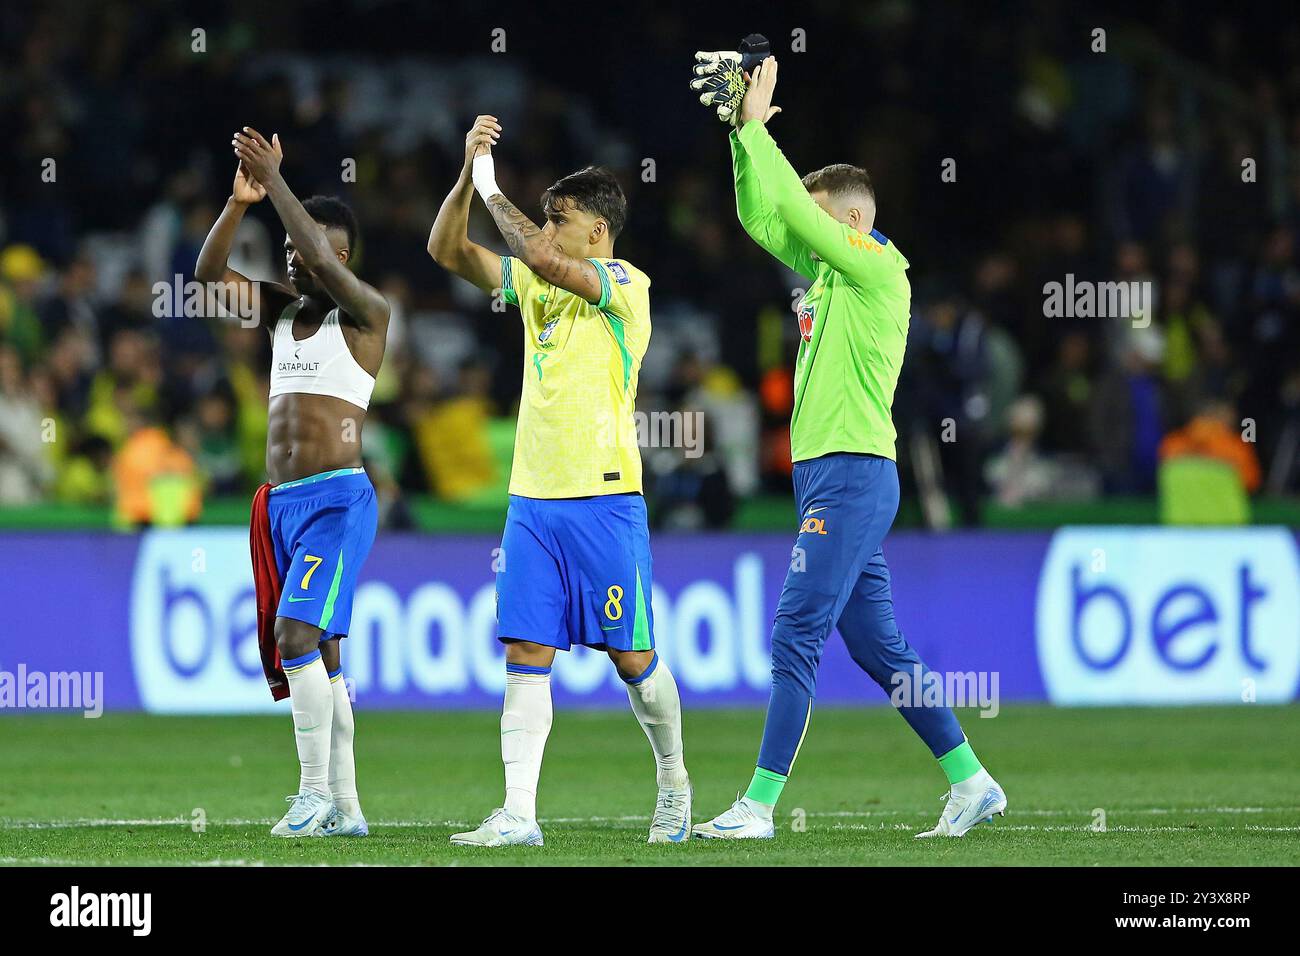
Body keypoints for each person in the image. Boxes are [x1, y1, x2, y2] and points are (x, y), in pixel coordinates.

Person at [691, 59, 1006, 840]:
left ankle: (759, 806)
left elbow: (792, 214)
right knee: (878, 647)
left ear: (853, 225)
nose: (812, 232)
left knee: (795, 631)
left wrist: (761, 124)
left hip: (854, 475)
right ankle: (973, 782)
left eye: (825, 222)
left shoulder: (875, 272)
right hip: (828, 476)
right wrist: (741, 136)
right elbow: (766, 221)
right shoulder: (832, 274)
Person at [427, 115, 690, 846]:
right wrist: (465, 173)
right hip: (532, 501)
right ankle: (519, 814)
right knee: (525, 651)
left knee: (633, 659)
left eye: (560, 217)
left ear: (598, 230)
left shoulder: (623, 285)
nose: (547, 227)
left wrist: (492, 187)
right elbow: (444, 249)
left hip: (604, 498)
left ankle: (673, 780)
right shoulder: (537, 286)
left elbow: (542, 261)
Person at [196, 128, 390, 837]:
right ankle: (347, 808)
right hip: (280, 505)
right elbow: (208, 277)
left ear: (338, 259)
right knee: (326, 662)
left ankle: (311, 794)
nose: (291, 260)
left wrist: (277, 179)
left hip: (338, 499)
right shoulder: (282, 313)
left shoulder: (367, 314)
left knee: (295, 634)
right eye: (285, 255)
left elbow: (308, 249)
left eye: (304, 252)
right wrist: (239, 200)